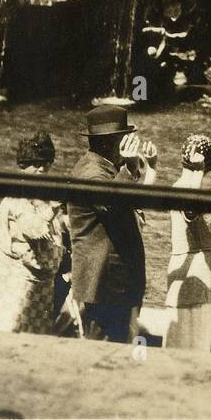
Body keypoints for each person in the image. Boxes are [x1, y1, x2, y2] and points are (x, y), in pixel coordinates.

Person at [59, 105, 158, 344]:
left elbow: (129, 203)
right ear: (112, 143)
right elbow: (113, 205)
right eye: (126, 139)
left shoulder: (102, 168)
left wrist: (140, 168)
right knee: (102, 349)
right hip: (106, 286)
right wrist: (129, 166)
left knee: (114, 346)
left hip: (112, 285)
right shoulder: (92, 174)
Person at [0, 132, 66, 336]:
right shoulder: (18, 195)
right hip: (15, 281)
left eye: (46, 162)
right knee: (10, 332)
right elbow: (32, 229)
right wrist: (53, 209)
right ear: (23, 165)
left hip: (37, 283)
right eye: (36, 163)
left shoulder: (38, 191)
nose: (42, 168)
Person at [162, 134, 211, 353]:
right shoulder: (188, 186)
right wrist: (199, 171)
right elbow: (190, 211)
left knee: (180, 343)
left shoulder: (182, 185)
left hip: (194, 278)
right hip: (198, 281)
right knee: (195, 347)